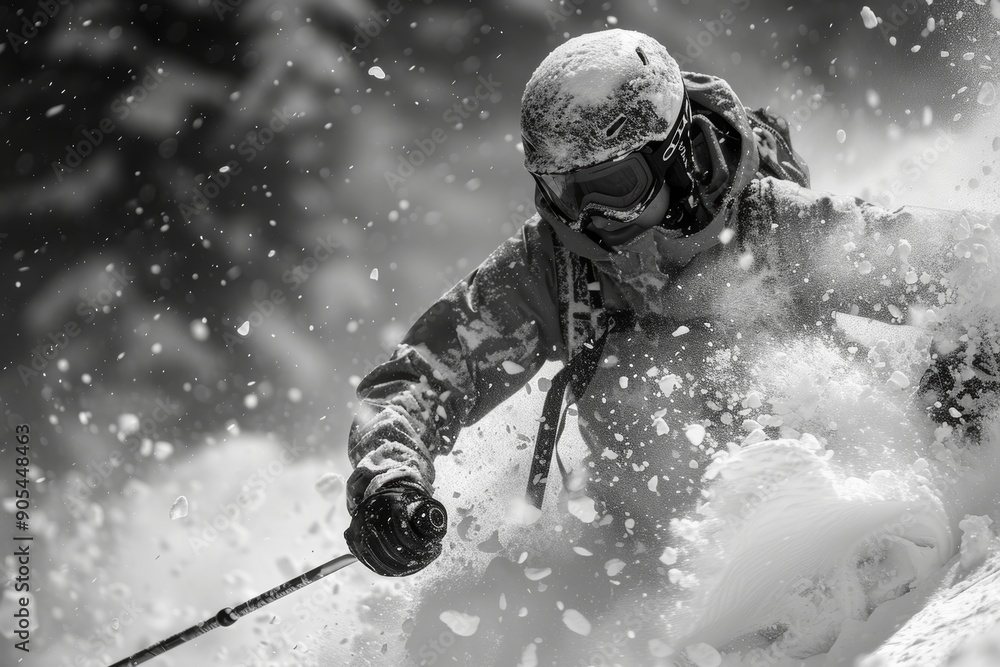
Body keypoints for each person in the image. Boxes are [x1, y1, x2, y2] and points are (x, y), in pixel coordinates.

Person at [342, 28, 989, 662]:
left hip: (833, 529)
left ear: (675, 157)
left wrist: (964, 381)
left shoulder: (774, 228)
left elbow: (962, 263)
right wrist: (387, 481)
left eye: (613, 187)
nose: (590, 217)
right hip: (651, 576)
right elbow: (419, 381)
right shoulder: (553, 266)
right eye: (563, 192)